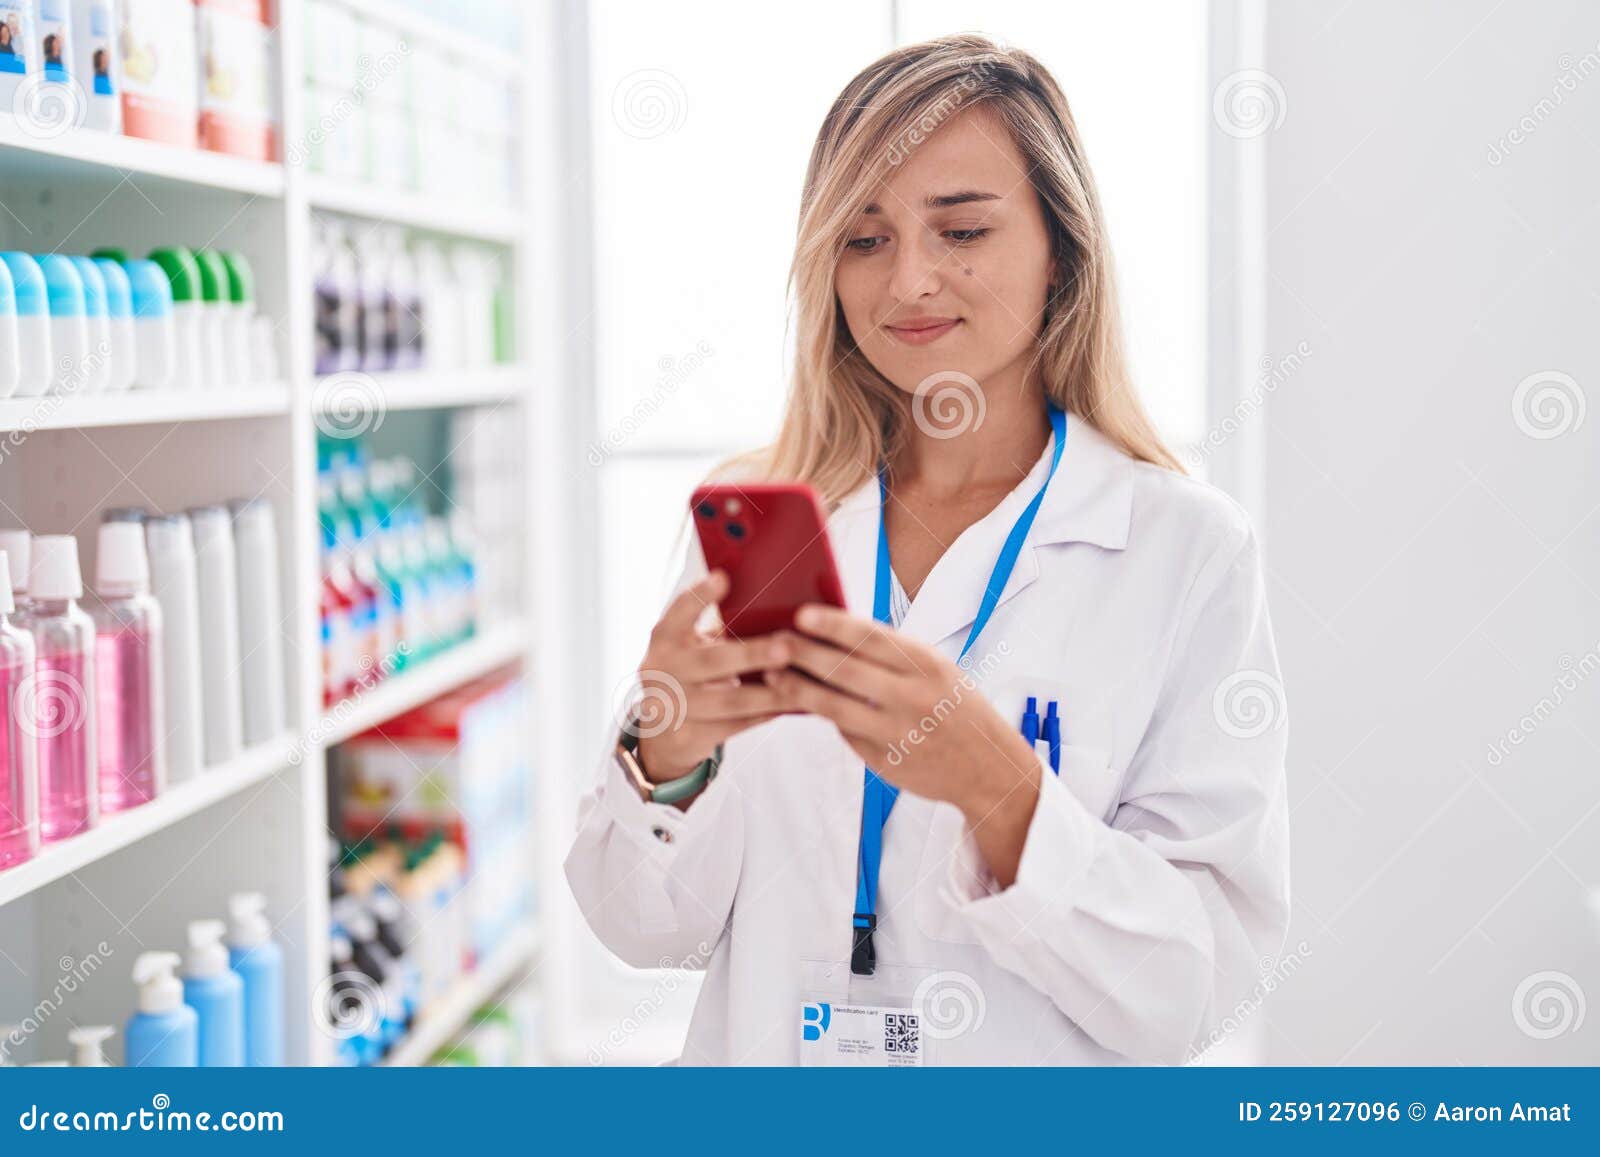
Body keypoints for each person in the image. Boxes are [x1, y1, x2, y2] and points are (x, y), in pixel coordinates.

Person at [566, 34, 1290, 1066]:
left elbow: (1192, 991)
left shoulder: (1184, 549)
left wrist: (1003, 795)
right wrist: (667, 757)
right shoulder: (762, 530)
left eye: (960, 230)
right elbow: (643, 929)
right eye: (863, 239)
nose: (909, 280)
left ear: (1061, 250)